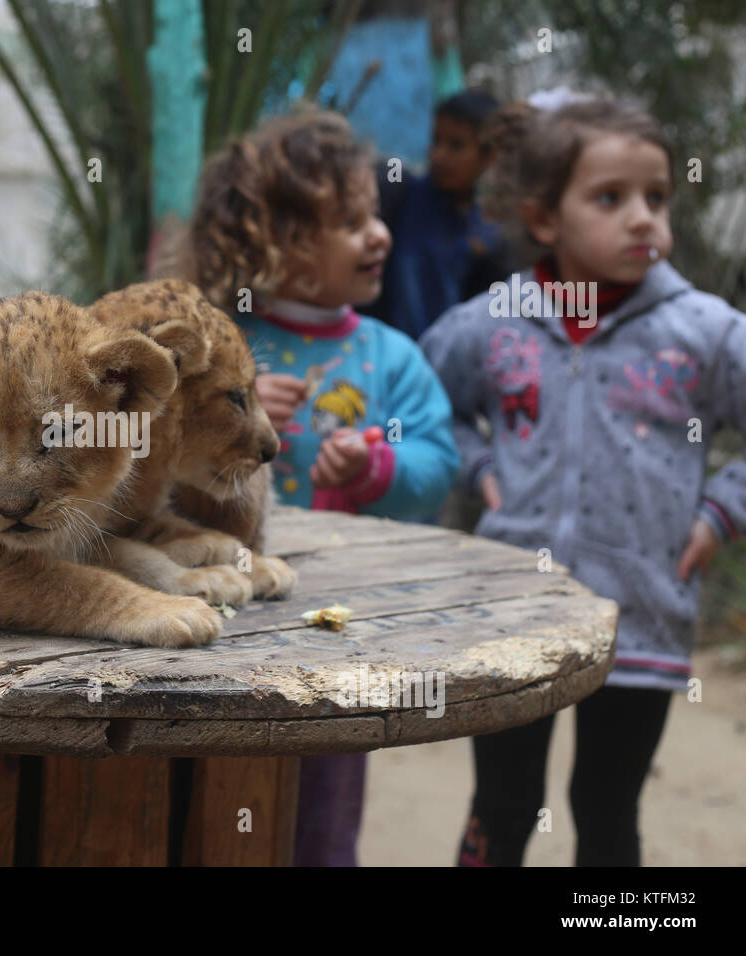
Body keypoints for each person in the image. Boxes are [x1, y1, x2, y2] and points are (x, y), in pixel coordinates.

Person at [421, 95, 746, 866]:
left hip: (639, 616)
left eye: (657, 197)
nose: (644, 218)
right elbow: (427, 403)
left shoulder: (705, 331)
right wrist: (480, 467)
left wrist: (720, 513)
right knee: (501, 807)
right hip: (513, 619)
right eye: (611, 198)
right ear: (543, 219)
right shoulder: (492, 322)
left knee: (605, 811)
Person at [185, 105, 459, 866]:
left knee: (323, 817)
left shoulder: (390, 355)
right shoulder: (218, 345)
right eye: (350, 221)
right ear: (279, 244)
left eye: (373, 215)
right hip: (222, 634)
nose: (381, 235)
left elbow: (439, 461)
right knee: (212, 797)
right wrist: (231, 419)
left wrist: (379, 470)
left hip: (340, 636)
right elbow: (154, 471)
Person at [366, 89, 508, 342]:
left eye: (456, 146)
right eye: (436, 141)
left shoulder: (492, 232)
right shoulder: (400, 198)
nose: (439, 155)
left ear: (489, 155)